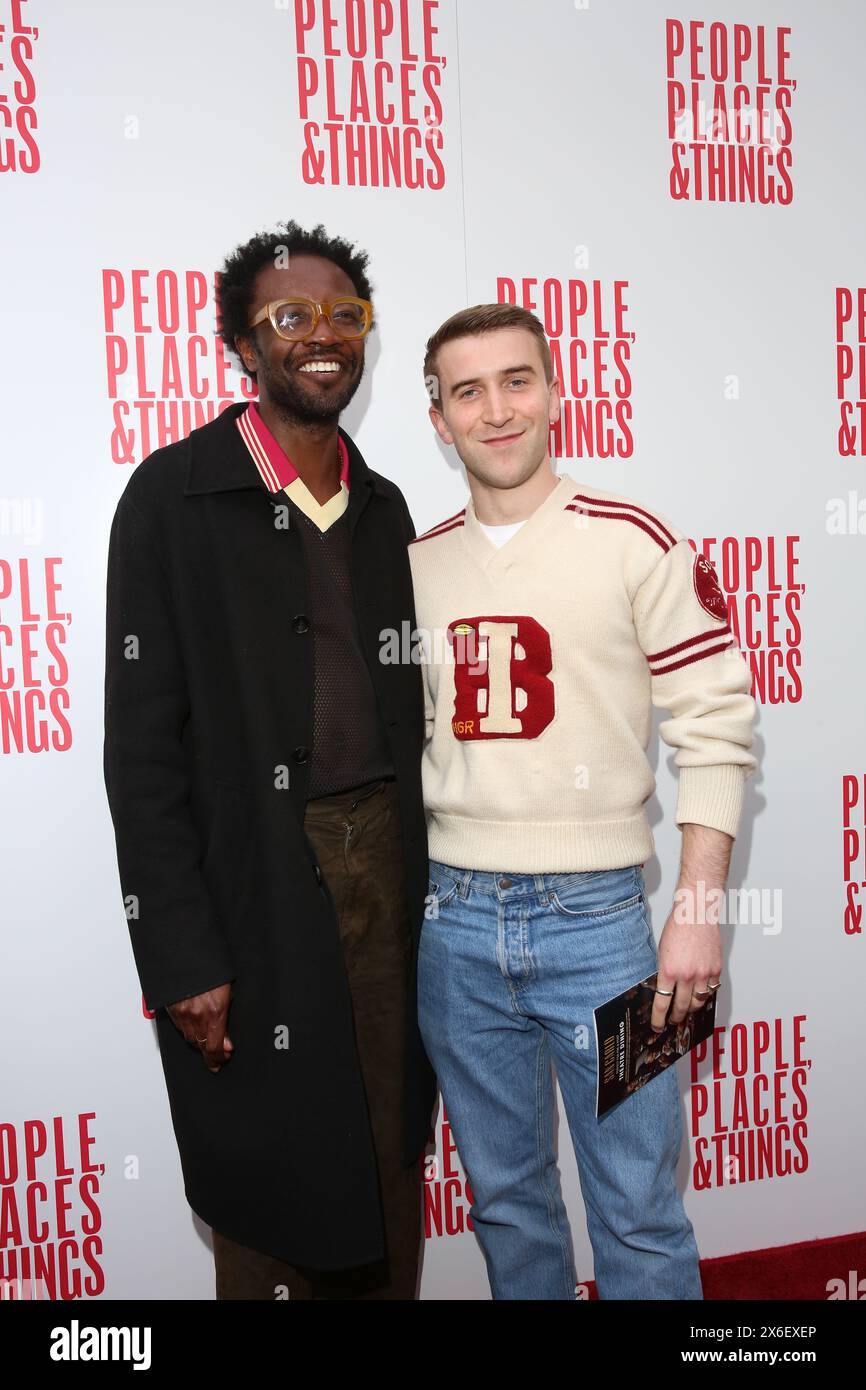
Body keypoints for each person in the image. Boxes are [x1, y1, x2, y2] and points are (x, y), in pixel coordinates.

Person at [103, 220, 435, 1300]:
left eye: (347, 314)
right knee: (270, 1170)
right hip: (250, 878)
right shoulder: (171, 497)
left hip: (391, 870)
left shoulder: (386, 509)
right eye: (290, 316)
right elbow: (142, 753)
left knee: (384, 1145)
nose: (323, 335)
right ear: (241, 347)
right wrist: (182, 955)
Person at [409, 302, 758, 1300]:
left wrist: (694, 911)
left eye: (516, 380)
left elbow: (716, 725)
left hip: (603, 926)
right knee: (506, 1206)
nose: (496, 409)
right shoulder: (413, 565)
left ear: (555, 392)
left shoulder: (633, 540)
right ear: (438, 419)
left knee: (637, 1209)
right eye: (466, 391)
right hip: (453, 928)